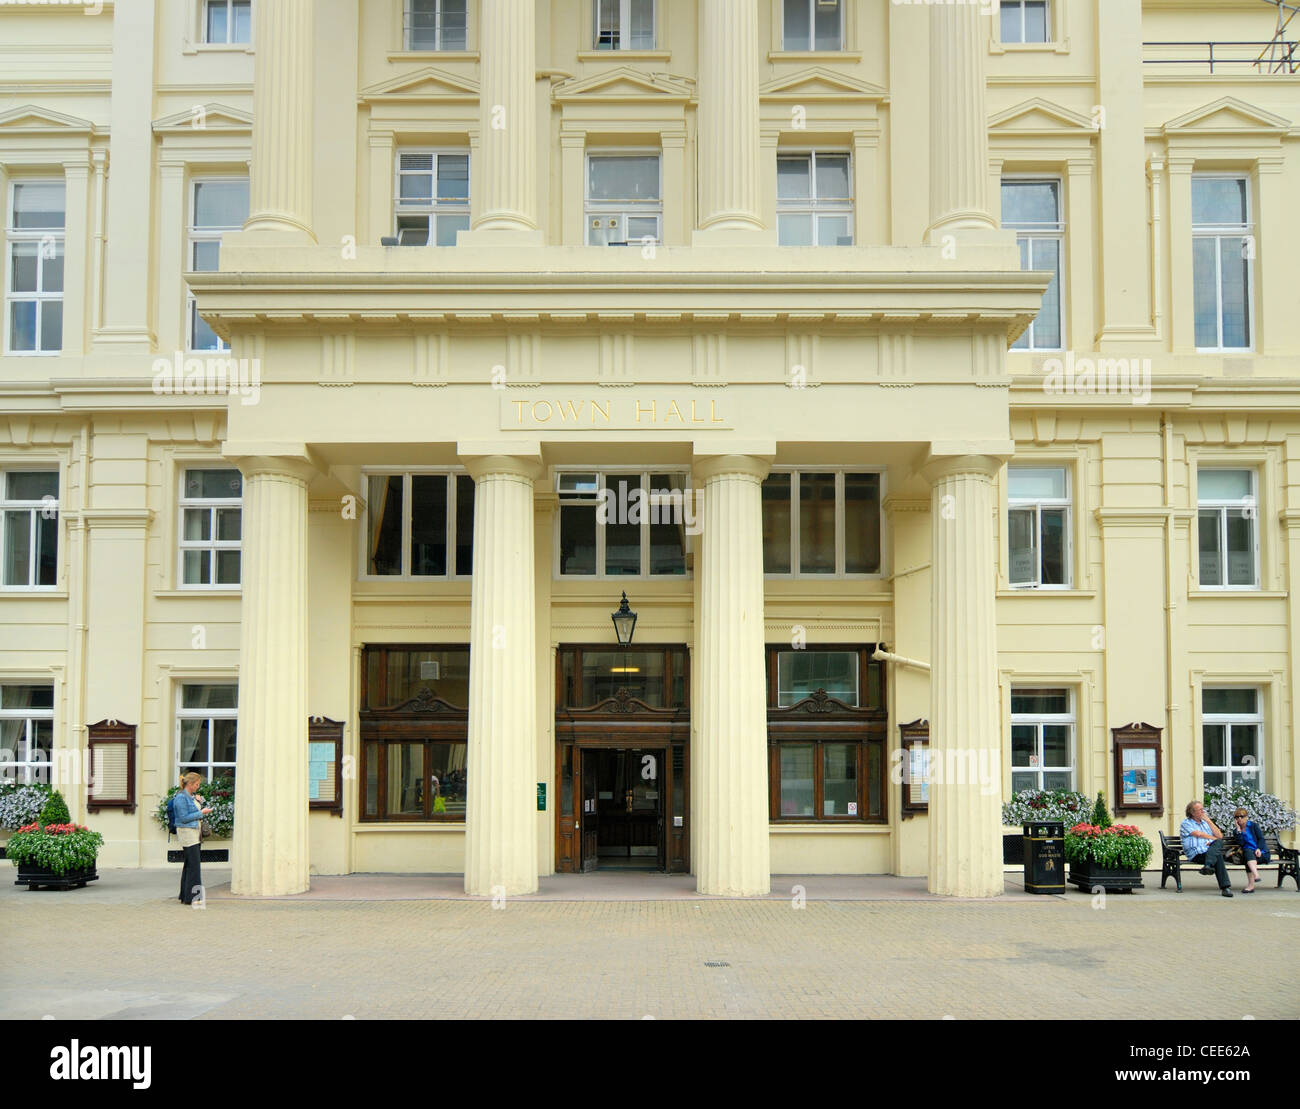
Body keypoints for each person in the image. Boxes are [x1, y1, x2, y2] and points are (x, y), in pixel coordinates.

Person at [1180, 799, 1233, 897]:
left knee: (1217, 850)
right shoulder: (1186, 823)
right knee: (1218, 855)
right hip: (1197, 854)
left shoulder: (1206, 823)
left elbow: (1220, 835)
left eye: (1202, 809)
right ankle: (1225, 887)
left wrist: (1209, 821)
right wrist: (1214, 839)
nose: (1203, 812)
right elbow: (1198, 834)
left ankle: (1208, 866)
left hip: (1209, 852)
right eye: (1200, 810)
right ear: (1192, 812)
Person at [174, 772, 212, 905]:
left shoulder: (190, 797)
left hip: (194, 833)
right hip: (187, 833)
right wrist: (201, 813)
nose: (198, 787)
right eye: (196, 784)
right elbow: (183, 818)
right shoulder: (180, 798)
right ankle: (194, 897)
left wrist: (200, 802)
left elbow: (194, 811)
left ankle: (185, 896)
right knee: (194, 865)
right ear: (190, 784)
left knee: (189, 864)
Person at [1232, 807, 1270, 893]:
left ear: (1246, 817)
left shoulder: (1253, 826)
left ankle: (1251, 886)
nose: (1239, 819)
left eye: (1241, 816)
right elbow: (1241, 844)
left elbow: (1261, 839)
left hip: (1261, 854)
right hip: (1249, 853)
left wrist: (1259, 849)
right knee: (1247, 851)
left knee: (1247, 856)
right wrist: (1238, 831)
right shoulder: (1236, 831)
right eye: (1237, 817)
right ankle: (1256, 876)